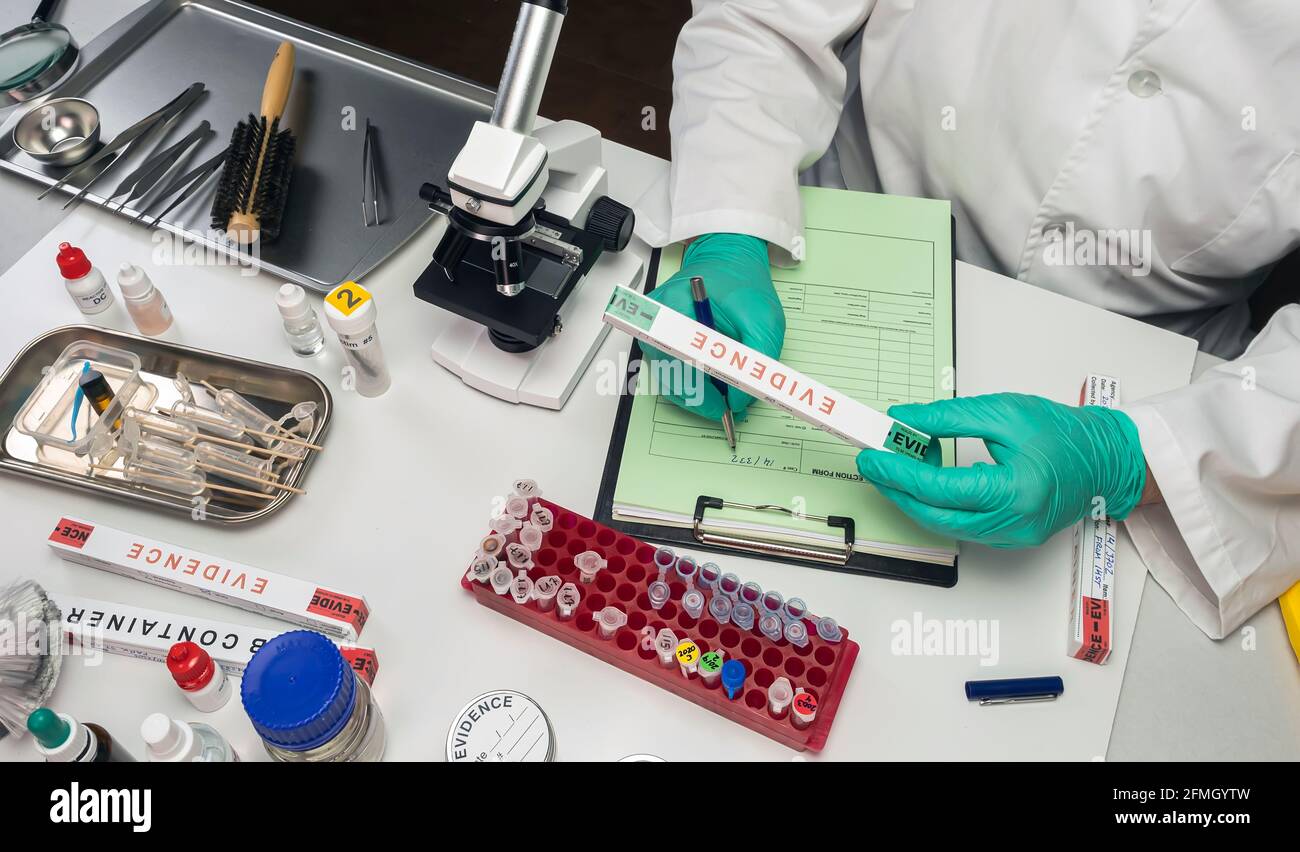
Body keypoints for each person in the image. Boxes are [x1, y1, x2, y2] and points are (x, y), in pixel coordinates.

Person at [637, 0, 1300, 639]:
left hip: (1148, 371)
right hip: (847, 227)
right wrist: (730, 223)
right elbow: (765, 18)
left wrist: (1132, 457)